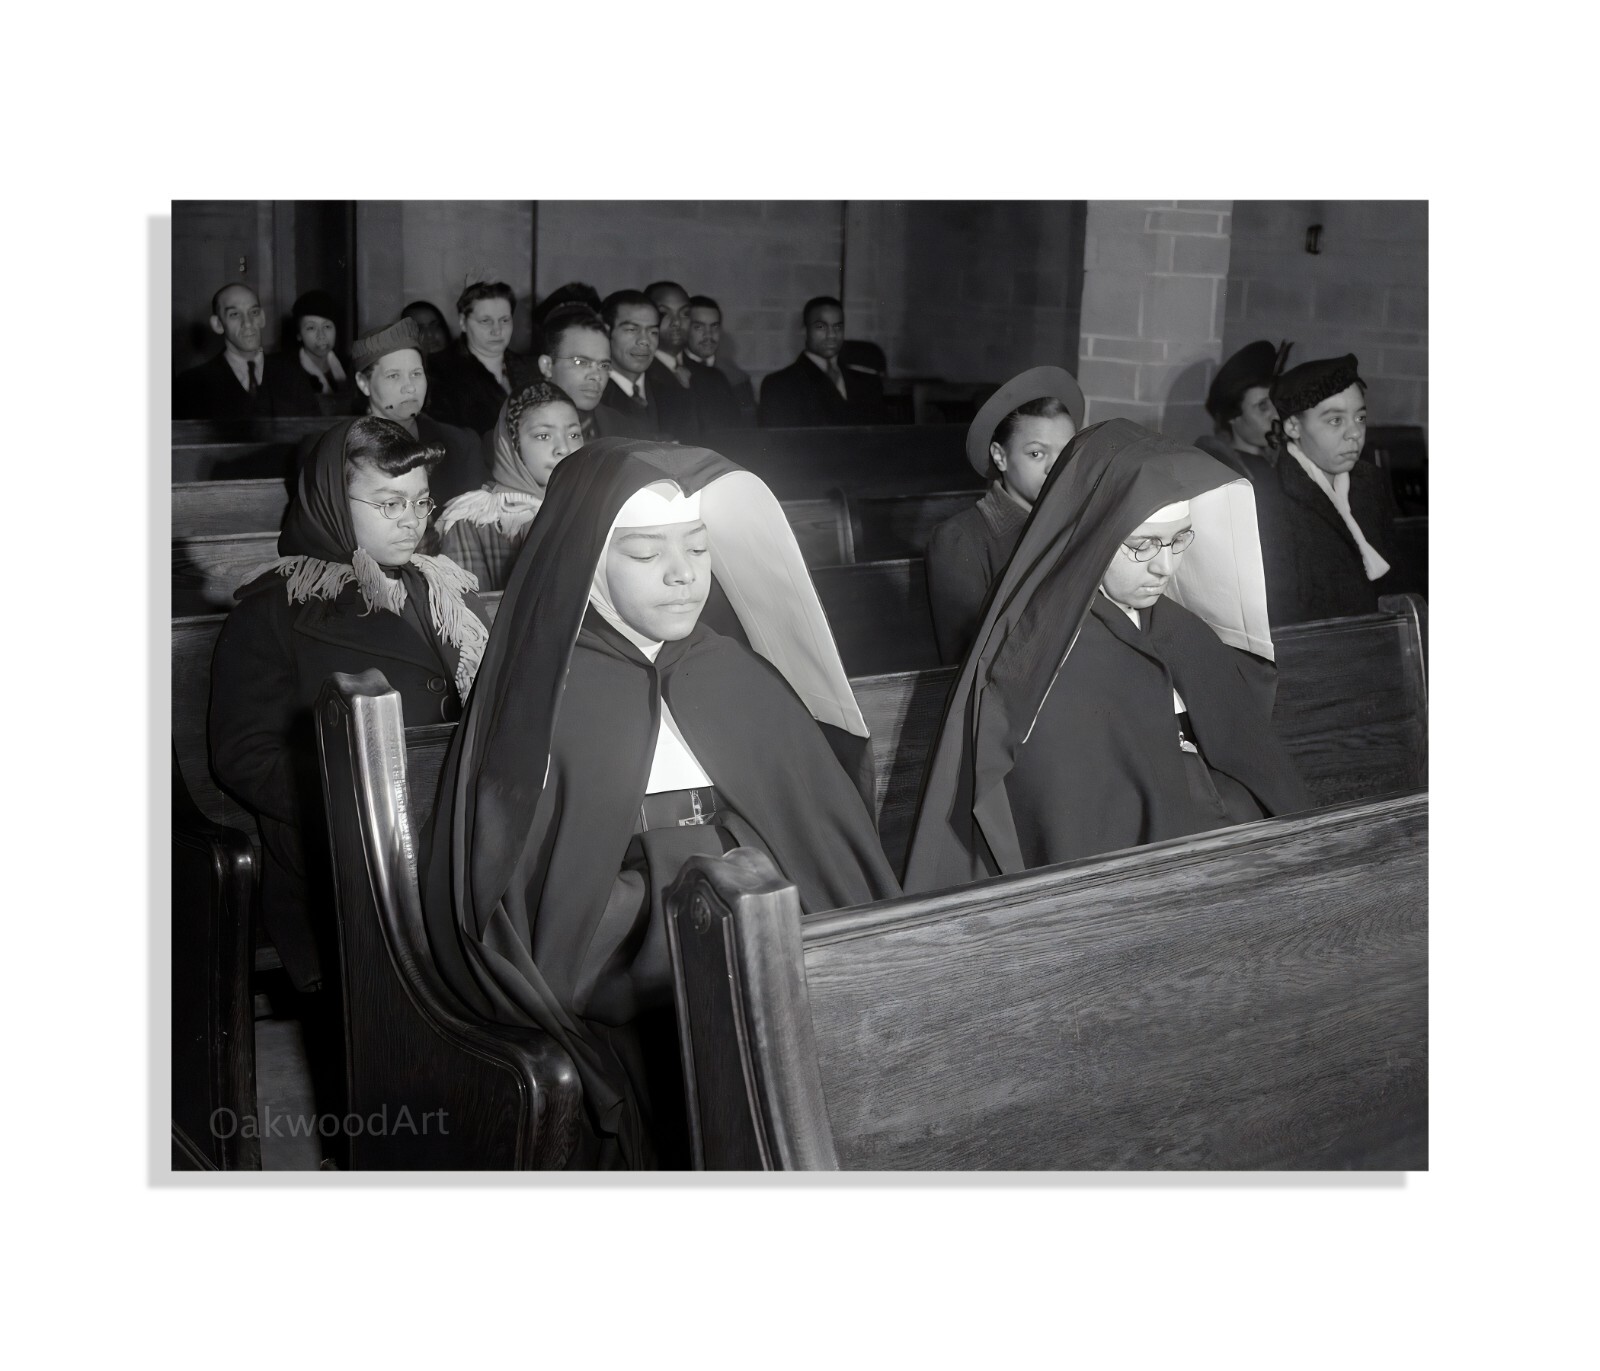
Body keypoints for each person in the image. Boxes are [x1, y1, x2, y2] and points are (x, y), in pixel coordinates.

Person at [420, 439, 900, 1169]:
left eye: (699, 548)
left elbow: (826, 836)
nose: (683, 575)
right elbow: (519, 893)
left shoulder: (732, 670)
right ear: (588, 565)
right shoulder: (549, 692)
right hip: (618, 950)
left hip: (760, 919)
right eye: (646, 554)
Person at [903, 418, 1312, 891]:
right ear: (1092, 539)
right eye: (1142, 547)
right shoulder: (1042, 646)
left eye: (1179, 539)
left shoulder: (1179, 626)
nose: (1165, 566)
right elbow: (1069, 826)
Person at [210, 415, 489, 996]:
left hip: (460, 837)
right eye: (389, 505)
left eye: (420, 502)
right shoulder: (276, 609)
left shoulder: (443, 590)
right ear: (334, 503)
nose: (413, 521)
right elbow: (244, 755)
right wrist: (360, 805)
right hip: (348, 857)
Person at [924, 366, 1085, 663]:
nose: (1055, 468)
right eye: (1037, 453)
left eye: (1065, 452)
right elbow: (967, 659)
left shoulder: (1078, 522)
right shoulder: (961, 539)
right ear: (1000, 456)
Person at [1252, 353, 1404, 624]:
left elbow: (1396, 581)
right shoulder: (1269, 501)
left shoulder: (1369, 481)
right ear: (1293, 426)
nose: (1354, 433)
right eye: (1335, 420)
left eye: (1360, 418)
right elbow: (1281, 614)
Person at [435, 380, 585, 590]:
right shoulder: (476, 522)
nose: (564, 448)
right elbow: (471, 615)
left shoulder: (593, 510)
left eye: (574, 435)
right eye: (543, 436)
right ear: (511, 444)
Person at [347, 317, 488, 509]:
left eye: (416, 373)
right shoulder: (340, 449)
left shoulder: (461, 445)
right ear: (363, 383)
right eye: (393, 375)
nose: (410, 388)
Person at [424, 281, 539, 432]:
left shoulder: (531, 368)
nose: (497, 330)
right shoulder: (438, 371)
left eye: (504, 320)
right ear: (463, 322)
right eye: (486, 321)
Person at [758, 296, 889, 427]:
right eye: (821, 327)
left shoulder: (869, 383)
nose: (831, 335)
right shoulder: (780, 385)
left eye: (837, 327)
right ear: (804, 331)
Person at [173, 283, 299, 419]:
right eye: (235, 314)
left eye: (254, 312)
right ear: (218, 324)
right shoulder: (192, 384)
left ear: (262, 317)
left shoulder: (292, 374)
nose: (248, 323)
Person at [537, 303, 655, 442]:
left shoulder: (626, 430)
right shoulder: (519, 425)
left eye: (603, 365)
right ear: (547, 366)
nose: (596, 376)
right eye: (581, 362)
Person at [599, 290, 698, 441]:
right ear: (606, 332)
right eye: (632, 330)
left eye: (653, 332)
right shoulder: (595, 395)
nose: (644, 341)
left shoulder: (674, 391)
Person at [1195, 339, 1292, 482]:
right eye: (1262, 407)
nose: (1276, 415)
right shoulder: (1222, 474)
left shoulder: (1284, 463)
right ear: (1233, 416)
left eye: (1276, 402)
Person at [684, 294, 756, 427]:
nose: (708, 335)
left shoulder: (738, 379)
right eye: (699, 327)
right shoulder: (672, 372)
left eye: (714, 327)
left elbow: (747, 431)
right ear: (685, 329)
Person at [277, 289, 351, 417]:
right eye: (311, 328)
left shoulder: (349, 367)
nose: (321, 335)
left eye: (327, 326)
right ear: (299, 334)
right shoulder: (286, 373)